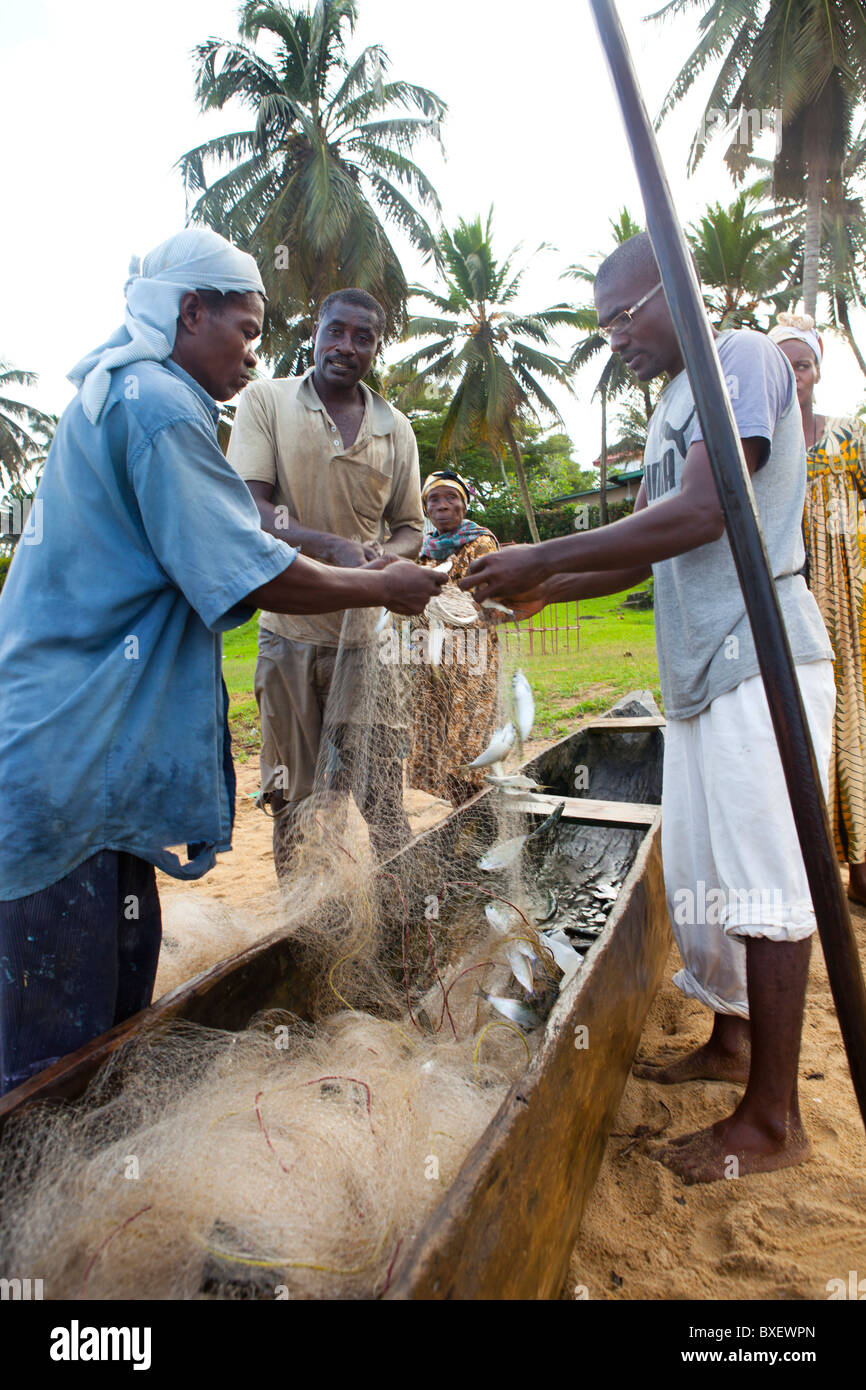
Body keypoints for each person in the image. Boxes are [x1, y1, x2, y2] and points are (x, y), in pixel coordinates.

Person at [0, 231, 444, 1096]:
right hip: (68, 765)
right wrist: (382, 585)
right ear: (188, 312)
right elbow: (253, 559)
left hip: (88, 773)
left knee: (111, 1011)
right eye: (243, 328)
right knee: (53, 1053)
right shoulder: (161, 407)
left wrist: (377, 569)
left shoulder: (130, 392)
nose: (251, 350)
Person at [461, 232, 835, 1184]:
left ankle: (774, 1122)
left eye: (623, 317)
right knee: (712, 869)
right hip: (702, 674)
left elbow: (709, 511)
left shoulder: (739, 359)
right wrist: (555, 586)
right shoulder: (673, 401)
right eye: (603, 328)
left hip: (762, 659)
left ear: (674, 292)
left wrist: (543, 554)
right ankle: (733, 1042)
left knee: (763, 881)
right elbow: (650, 547)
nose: (614, 339)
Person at [227, 288, 426, 877]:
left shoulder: (397, 429)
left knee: (382, 795)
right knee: (295, 801)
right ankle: (301, 932)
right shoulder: (266, 402)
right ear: (315, 333)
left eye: (363, 338)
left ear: (375, 349)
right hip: (288, 634)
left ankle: (401, 921)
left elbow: (410, 527)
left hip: (365, 642)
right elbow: (250, 508)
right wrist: (336, 550)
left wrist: (384, 560)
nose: (346, 347)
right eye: (336, 332)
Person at [768, 314, 866, 905]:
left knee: (853, 718)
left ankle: (860, 863)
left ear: (818, 371)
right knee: (800, 722)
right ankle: (810, 867)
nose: (794, 376)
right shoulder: (760, 443)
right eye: (783, 366)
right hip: (791, 602)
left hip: (849, 607)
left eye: (802, 364)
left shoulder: (849, 437)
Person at [407, 470, 501, 806]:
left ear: (464, 503)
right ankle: (458, 813)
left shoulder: (481, 543)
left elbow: (485, 602)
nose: (443, 505)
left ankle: (472, 813)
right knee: (437, 733)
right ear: (426, 508)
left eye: (451, 497)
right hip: (430, 661)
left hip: (471, 661)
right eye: (434, 499)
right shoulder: (423, 549)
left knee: (468, 740)